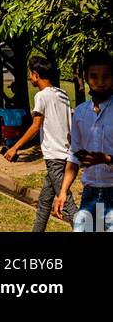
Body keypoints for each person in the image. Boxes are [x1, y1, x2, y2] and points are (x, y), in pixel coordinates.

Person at [4, 56, 75, 231]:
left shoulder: (41, 96)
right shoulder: (62, 94)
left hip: (55, 157)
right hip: (65, 154)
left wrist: (14, 147)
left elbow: (36, 126)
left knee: (67, 204)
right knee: (44, 201)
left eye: (30, 74)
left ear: (36, 75)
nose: (29, 77)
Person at [54, 49, 113, 232]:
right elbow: (74, 155)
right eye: (94, 76)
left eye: (106, 76)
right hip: (90, 194)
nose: (100, 82)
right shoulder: (80, 113)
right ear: (86, 78)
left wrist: (106, 159)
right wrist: (63, 191)